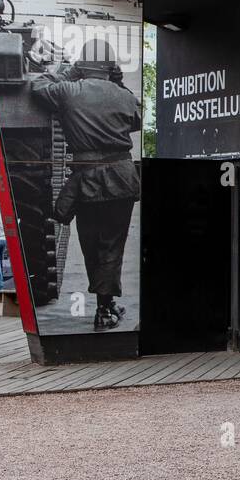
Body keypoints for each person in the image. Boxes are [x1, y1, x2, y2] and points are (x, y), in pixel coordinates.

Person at [31, 38, 141, 331]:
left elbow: (38, 86)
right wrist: (118, 83)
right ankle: (105, 307)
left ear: (82, 65)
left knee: (90, 244)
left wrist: (68, 72)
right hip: (121, 177)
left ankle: (104, 306)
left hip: (87, 180)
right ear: (111, 68)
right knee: (113, 245)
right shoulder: (124, 95)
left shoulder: (70, 90)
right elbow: (137, 120)